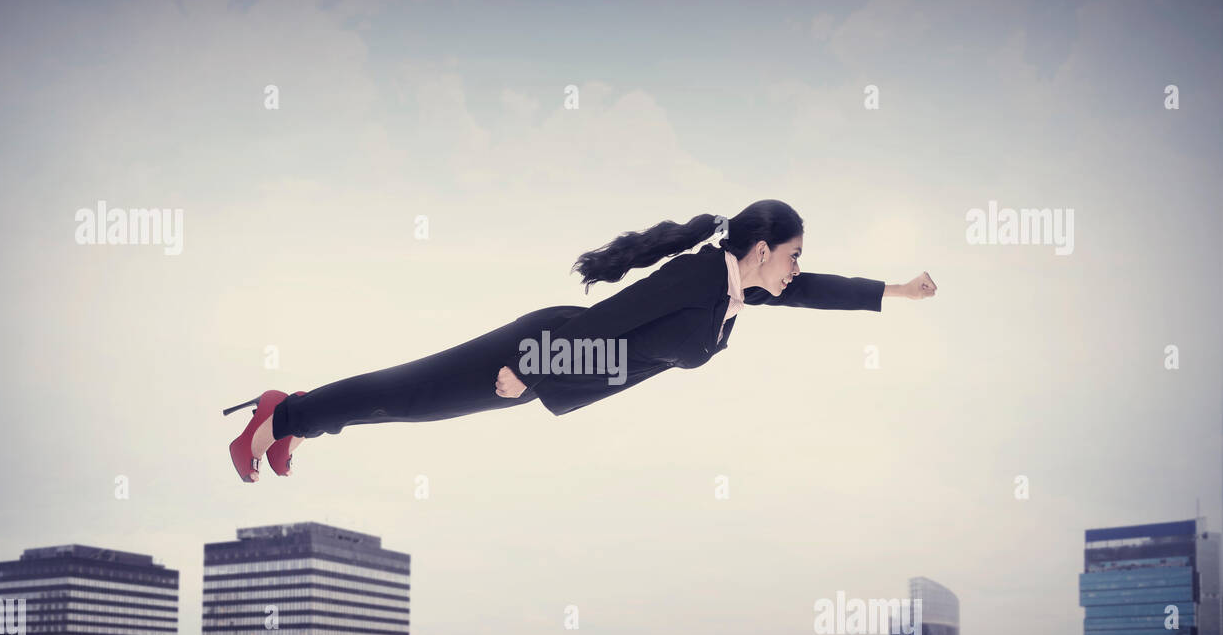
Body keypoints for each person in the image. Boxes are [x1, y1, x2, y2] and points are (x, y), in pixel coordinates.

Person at [226, 198, 936, 481]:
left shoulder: (735, 289)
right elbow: (612, 317)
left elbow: (813, 291)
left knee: (414, 403)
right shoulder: (698, 278)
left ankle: (295, 419)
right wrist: (532, 370)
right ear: (758, 248)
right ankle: (280, 417)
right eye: (792, 255)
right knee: (410, 395)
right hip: (543, 352)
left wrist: (894, 293)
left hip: (554, 367)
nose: (797, 269)